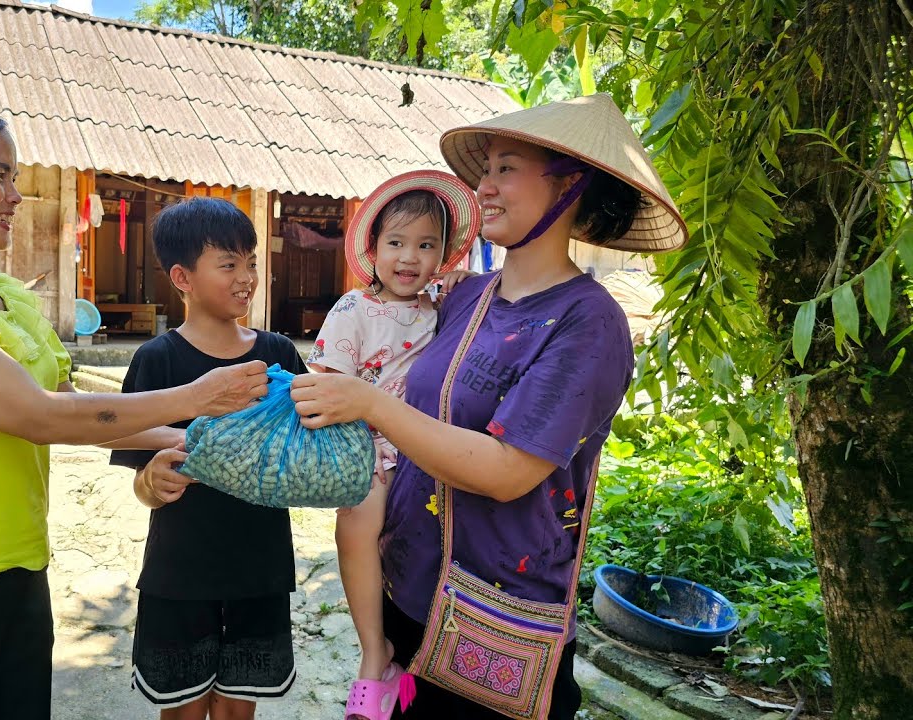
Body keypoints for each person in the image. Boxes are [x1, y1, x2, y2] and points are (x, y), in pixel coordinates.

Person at [0, 96, 268, 720]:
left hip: (20, 572)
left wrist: (196, 438)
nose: (15, 193)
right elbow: (38, 416)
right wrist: (200, 395)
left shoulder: (8, 297)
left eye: (14, 176)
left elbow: (75, 408)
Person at [289, 93, 688, 719]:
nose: (485, 186)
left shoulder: (587, 323)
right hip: (409, 592)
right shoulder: (462, 296)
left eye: (507, 167)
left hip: (496, 619)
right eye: (486, 170)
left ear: (571, 184)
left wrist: (368, 404)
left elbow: (506, 471)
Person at [110, 197, 306, 720]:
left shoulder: (278, 356)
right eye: (229, 264)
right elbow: (138, 473)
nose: (246, 277)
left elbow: (304, 447)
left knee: (238, 709)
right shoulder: (158, 360)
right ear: (183, 276)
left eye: (252, 262)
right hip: (180, 572)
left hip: (259, 568)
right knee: (181, 709)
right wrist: (152, 484)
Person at [303, 170, 480, 720]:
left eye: (426, 245)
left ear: (444, 255)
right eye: (397, 243)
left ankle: (420, 655)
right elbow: (325, 382)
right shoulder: (354, 311)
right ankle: (372, 652)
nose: (410, 258)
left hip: (427, 447)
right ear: (373, 248)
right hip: (369, 445)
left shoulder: (444, 309)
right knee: (357, 524)